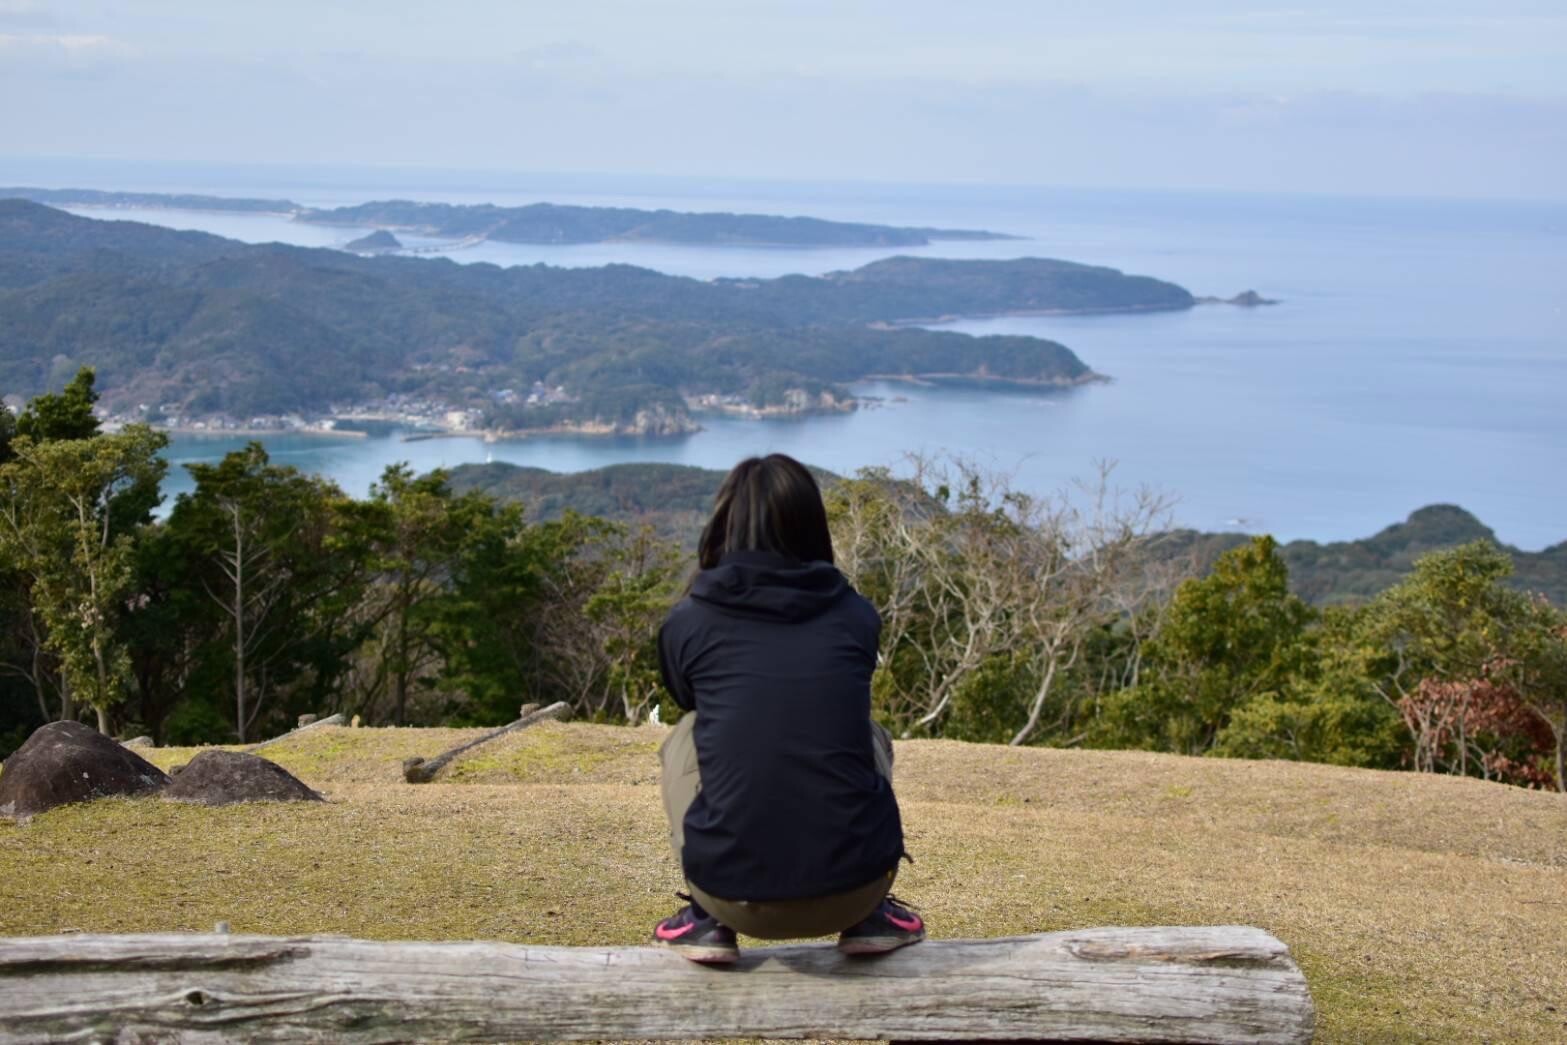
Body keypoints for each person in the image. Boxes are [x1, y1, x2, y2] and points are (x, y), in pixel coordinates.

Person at [653, 453, 925, 963]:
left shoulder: (688, 623)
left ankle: (706, 922)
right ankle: (870, 918)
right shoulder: (855, 617)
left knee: (688, 733)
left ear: (725, 525)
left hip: (731, 895)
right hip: (858, 887)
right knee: (867, 732)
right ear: (812, 526)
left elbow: (693, 702)